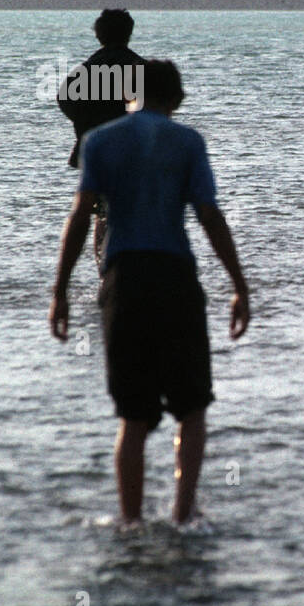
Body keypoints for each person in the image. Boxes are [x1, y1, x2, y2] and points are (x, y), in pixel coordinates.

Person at [49, 60, 250, 525]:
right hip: (175, 276)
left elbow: (80, 218)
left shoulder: (100, 141)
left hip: (124, 280)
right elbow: (209, 216)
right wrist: (239, 286)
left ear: (129, 97)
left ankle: (131, 523)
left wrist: (59, 291)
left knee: (133, 415)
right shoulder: (187, 142)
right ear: (176, 100)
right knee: (192, 406)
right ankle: (183, 515)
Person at [57, 9, 145, 267]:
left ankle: (104, 273)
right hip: (133, 152)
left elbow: (65, 101)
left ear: (99, 35)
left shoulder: (86, 69)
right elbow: (149, 109)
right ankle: (129, 269)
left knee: (101, 215)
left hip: (94, 153)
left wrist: (86, 124)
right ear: (129, 33)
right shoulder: (138, 67)